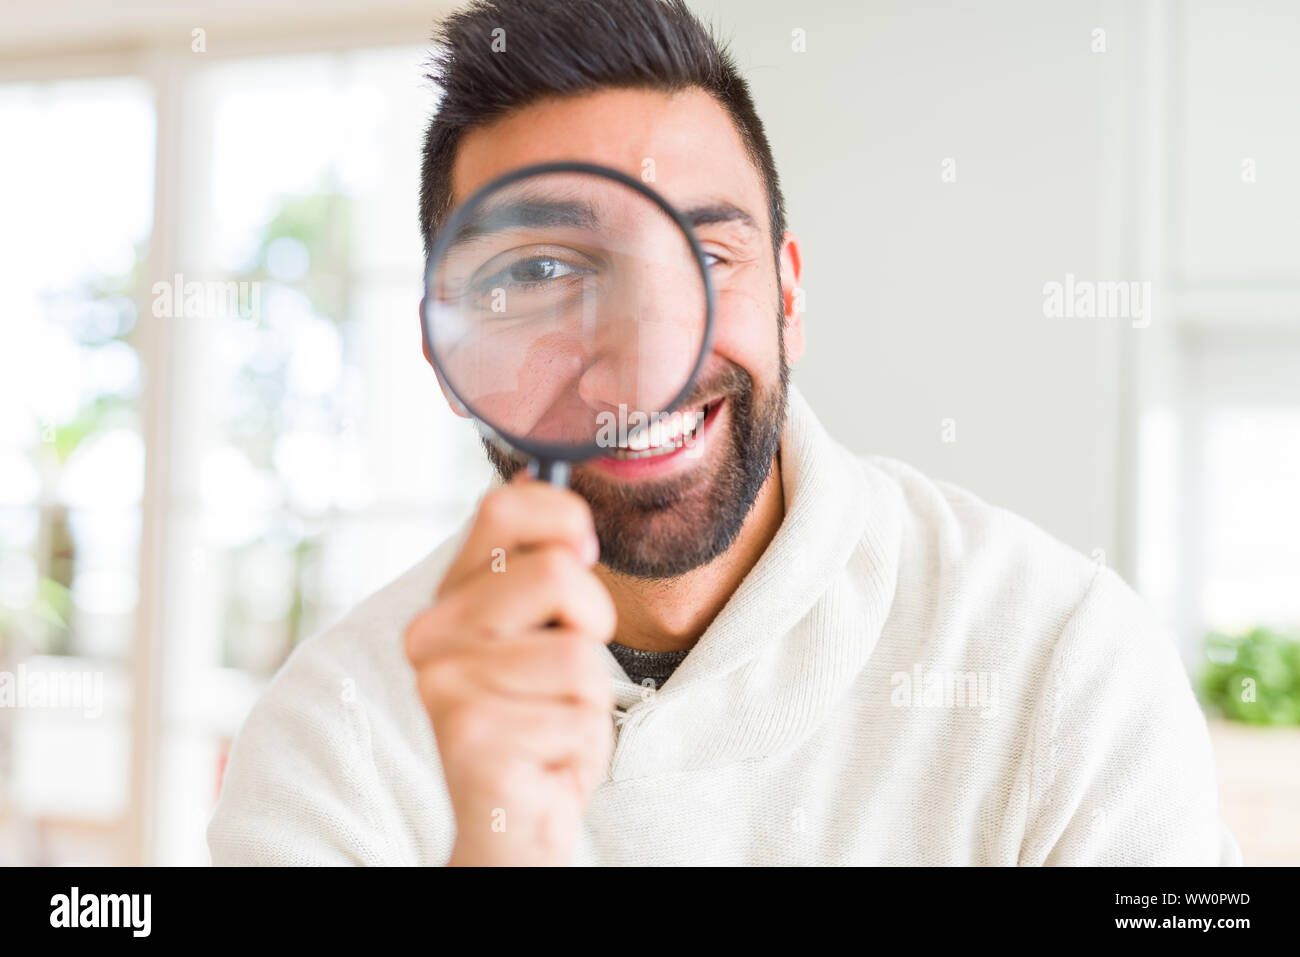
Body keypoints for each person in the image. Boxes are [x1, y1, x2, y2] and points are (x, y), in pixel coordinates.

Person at [207, 0, 1240, 866]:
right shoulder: (332, 741)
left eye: (705, 256)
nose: (642, 359)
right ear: (443, 354)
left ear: (788, 296)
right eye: (541, 272)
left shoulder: (1065, 660)